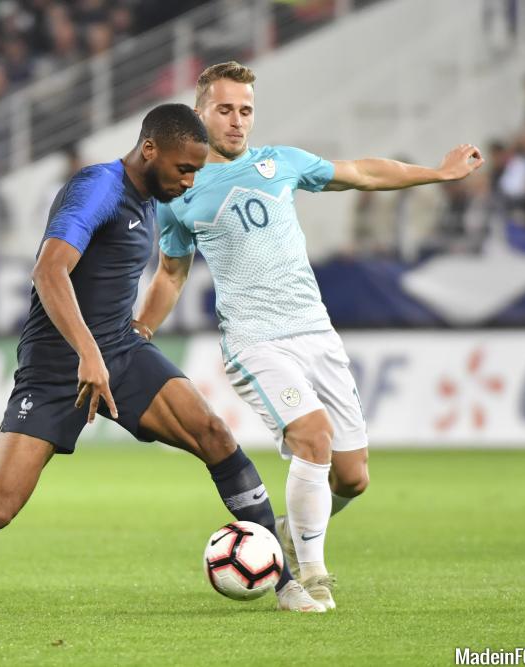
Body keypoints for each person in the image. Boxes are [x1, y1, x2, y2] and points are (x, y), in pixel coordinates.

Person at [0, 103, 324, 616]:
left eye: (197, 170)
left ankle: (286, 584)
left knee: (216, 437)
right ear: (149, 149)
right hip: (55, 366)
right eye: (183, 168)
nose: (190, 180)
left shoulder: (153, 196)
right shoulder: (98, 188)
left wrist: (123, 340)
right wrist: (87, 354)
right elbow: (48, 271)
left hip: (120, 352)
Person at [134, 62, 484, 610]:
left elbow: (363, 172)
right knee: (312, 437)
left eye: (245, 110)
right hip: (255, 341)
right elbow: (171, 272)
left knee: (353, 476)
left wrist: (437, 174)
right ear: (201, 112)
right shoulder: (181, 190)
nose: (236, 121)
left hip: (316, 334)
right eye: (224, 109)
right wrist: (140, 330)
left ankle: (286, 533)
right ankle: (311, 575)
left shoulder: (282, 163)